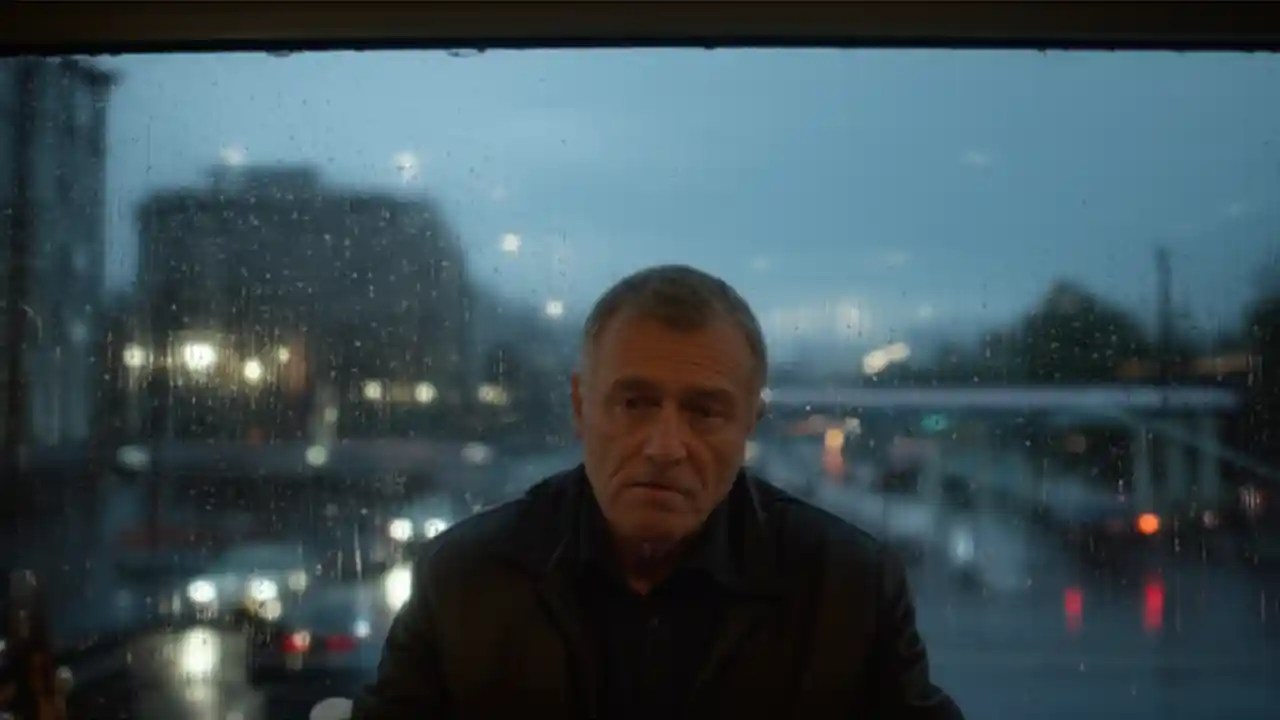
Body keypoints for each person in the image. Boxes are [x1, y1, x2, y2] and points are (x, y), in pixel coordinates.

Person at [354, 265, 964, 719]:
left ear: (749, 424)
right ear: (579, 407)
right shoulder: (462, 580)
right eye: (634, 403)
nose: (665, 445)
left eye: (704, 412)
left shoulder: (851, 589)